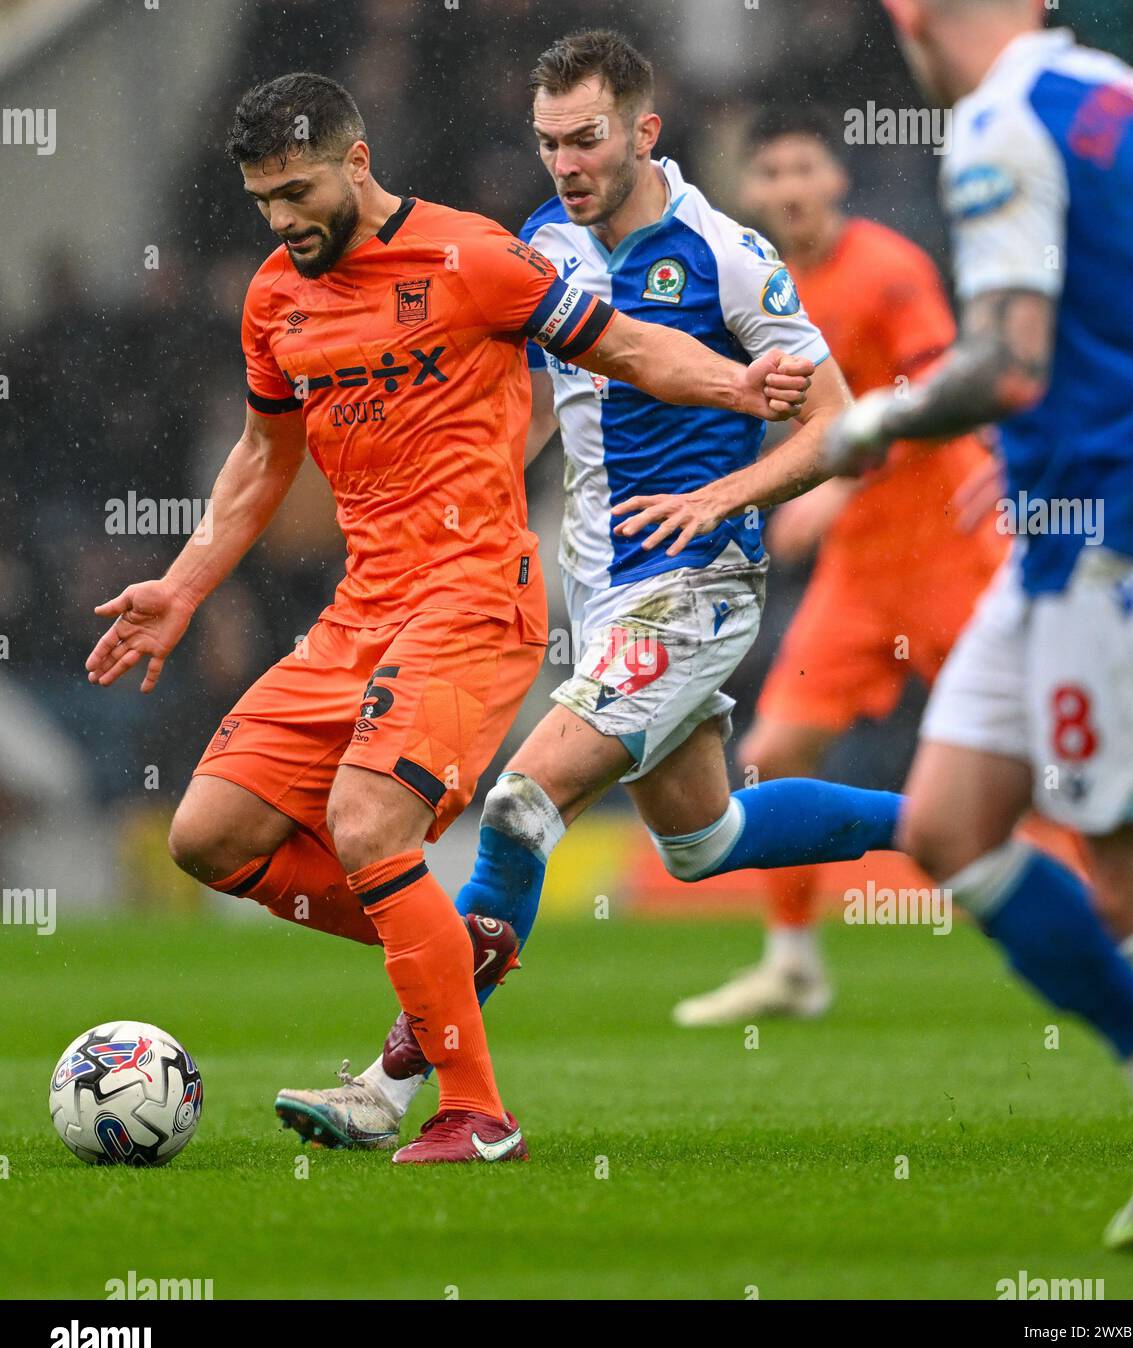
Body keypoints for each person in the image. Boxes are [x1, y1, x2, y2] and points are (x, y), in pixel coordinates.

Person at [85, 69, 815, 1167]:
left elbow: (621, 345)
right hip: (356, 614)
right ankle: (458, 943)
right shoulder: (274, 297)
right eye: (261, 202)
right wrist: (182, 586)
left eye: (296, 191)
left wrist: (734, 385)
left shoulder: (472, 256)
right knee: (208, 837)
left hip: (473, 597)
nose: (282, 221)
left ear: (357, 161)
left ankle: (477, 1114)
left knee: (372, 826)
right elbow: (259, 458)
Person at [614, 0, 1133, 1249]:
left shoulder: (993, 126)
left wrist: (866, 429)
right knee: (944, 824)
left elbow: (1006, 361)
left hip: (1099, 532)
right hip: (1052, 535)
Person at [273, 31, 907, 1146]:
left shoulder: (726, 254)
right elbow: (515, 401)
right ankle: (957, 818)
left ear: (643, 131)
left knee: (520, 805)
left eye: (586, 138)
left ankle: (400, 1090)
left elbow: (843, 425)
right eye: (547, 142)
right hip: (599, 592)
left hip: (697, 583)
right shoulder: (542, 243)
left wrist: (727, 496)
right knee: (703, 840)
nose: (564, 162)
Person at [673, 106, 1006, 1026]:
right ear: (747, 190)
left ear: (836, 180)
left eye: (802, 168)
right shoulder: (751, 284)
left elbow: (936, 397)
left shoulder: (888, 271)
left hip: (951, 548)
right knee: (776, 751)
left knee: (1037, 756)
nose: (786, 188)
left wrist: (831, 489)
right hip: (862, 574)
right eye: (769, 172)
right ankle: (791, 965)